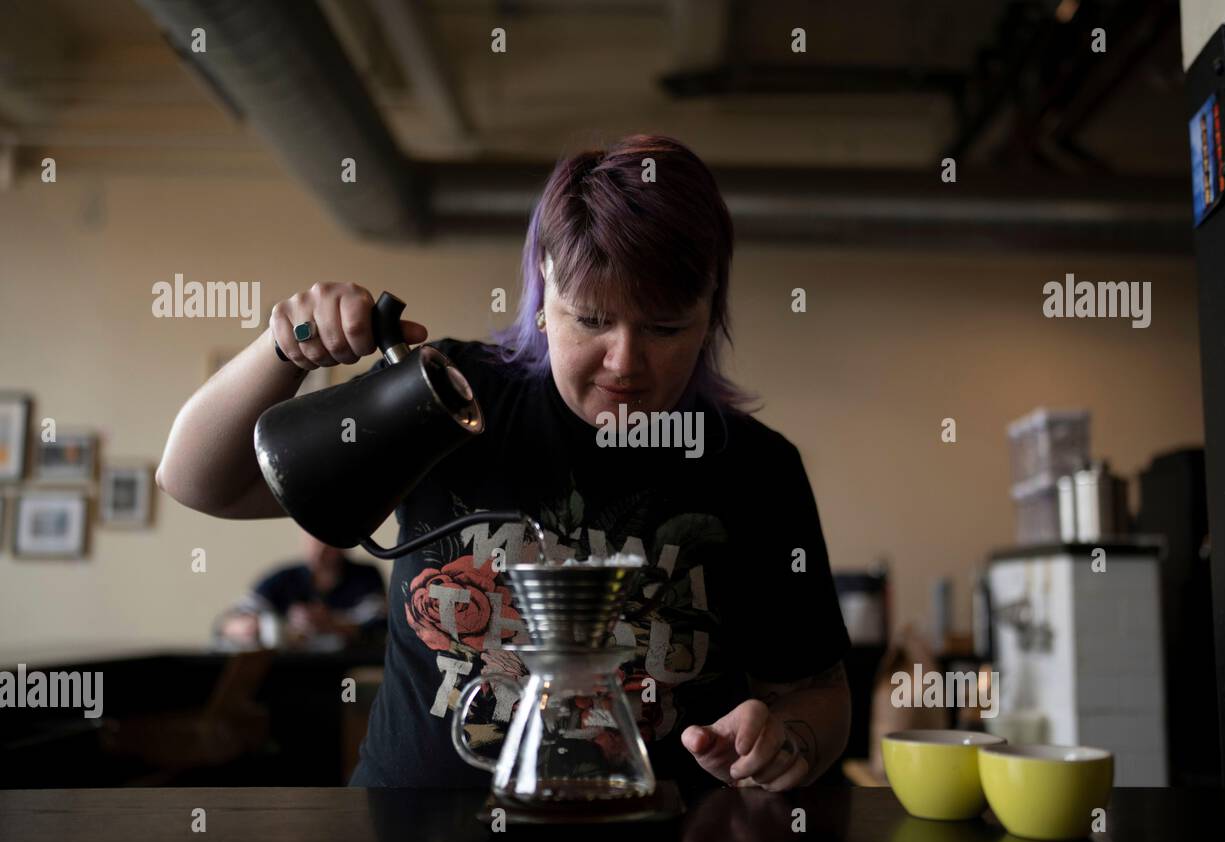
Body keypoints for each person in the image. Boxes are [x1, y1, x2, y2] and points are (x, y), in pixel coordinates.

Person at [157, 134, 851, 793]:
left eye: (666, 328)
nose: (626, 363)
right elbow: (196, 480)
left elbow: (817, 696)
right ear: (544, 293)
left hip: (649, 840)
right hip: (408, 840)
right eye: (593, 320)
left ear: (711, 314)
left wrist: (784, 741)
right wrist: (286, 349)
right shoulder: (449, 397)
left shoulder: (757, 469)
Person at [212, 529, 387, 652]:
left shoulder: (365, 577)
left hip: (344, 673)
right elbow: (225, 625)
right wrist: (248, 627)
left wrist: (332, 625)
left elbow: (380, 628)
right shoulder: (283, 578)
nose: (319, 547)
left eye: (326, 539)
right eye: (312, 537)